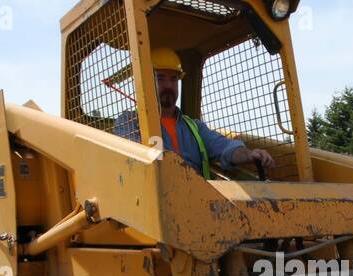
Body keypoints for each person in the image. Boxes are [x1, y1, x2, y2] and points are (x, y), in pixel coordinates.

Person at [113, 47, 275, 179]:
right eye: (160, 78)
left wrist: (248, 154)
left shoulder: (194, 127)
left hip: (196, 202)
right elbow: (134, 161)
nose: (168, 85)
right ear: (145, 80)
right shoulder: (130, 122)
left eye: (174, 79)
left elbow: (224, 146)